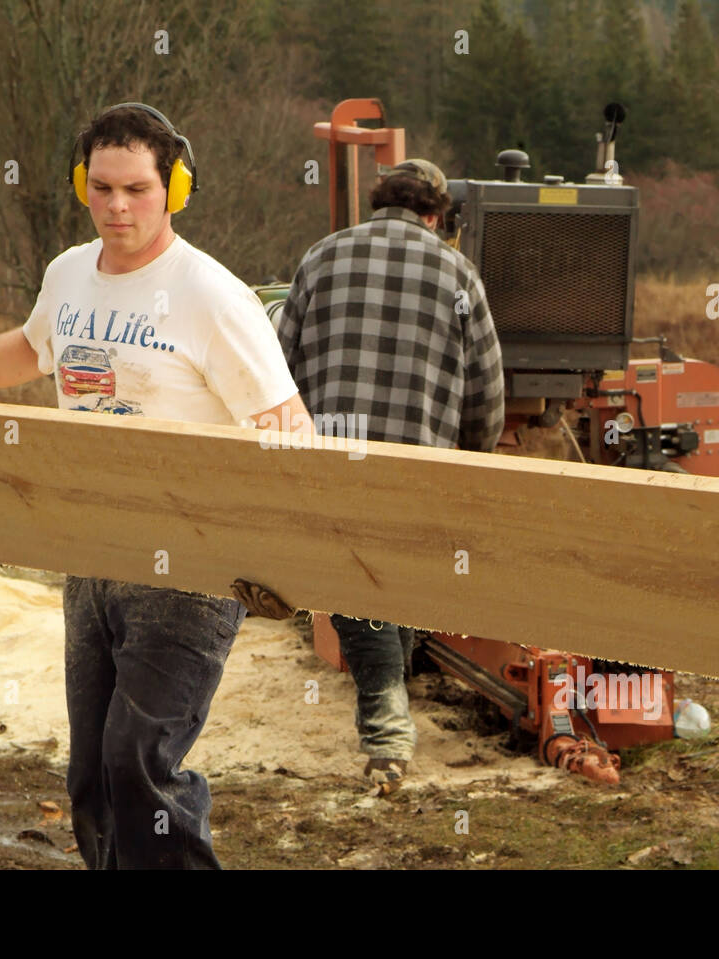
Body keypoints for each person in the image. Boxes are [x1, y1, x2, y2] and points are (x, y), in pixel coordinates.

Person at [0, 102, 313, 868]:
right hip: (94, 554)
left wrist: (266, 552)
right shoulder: (69, 274)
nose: (117, 206)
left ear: (175, 189)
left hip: (190, 569)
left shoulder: (212, 296)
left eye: (136, 189)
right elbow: (29, 349)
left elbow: (287, 433)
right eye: (101, 188)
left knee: (141, 765)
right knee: (94, 780)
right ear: (81, 183)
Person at [277, 158, 504, 794]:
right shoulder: (459, 272)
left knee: (359, 583)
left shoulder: (321, 258)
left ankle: (388, 718)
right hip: (418, 467)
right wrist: (474, 458)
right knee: (392, 582)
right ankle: (389, 723)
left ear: (379, 205)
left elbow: (281, 365)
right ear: (436, 216)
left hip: (333, 458)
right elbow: (486, 391)